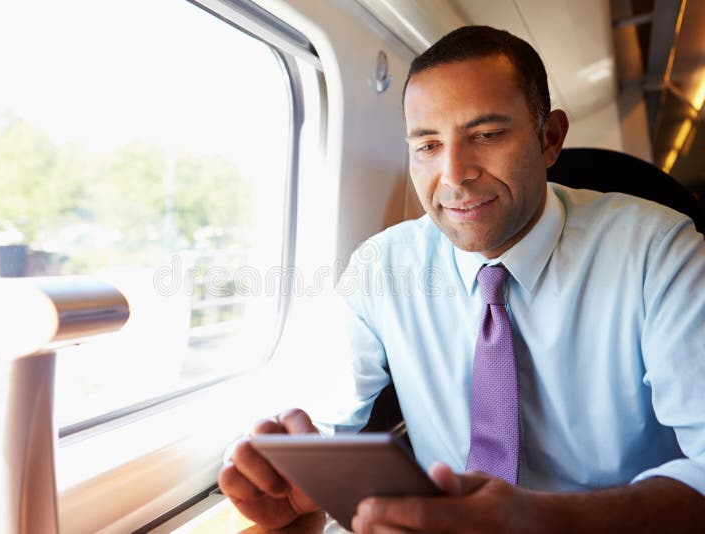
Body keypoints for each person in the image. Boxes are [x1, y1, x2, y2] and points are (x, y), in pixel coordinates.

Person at [218, 25, 705, 532]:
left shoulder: (661, 254)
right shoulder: (381, 270)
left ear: (550, 138)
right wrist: (296, 476)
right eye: (427, 145)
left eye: (487, 135)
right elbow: (320, 420)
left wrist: (535, 520)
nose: (454, 174)